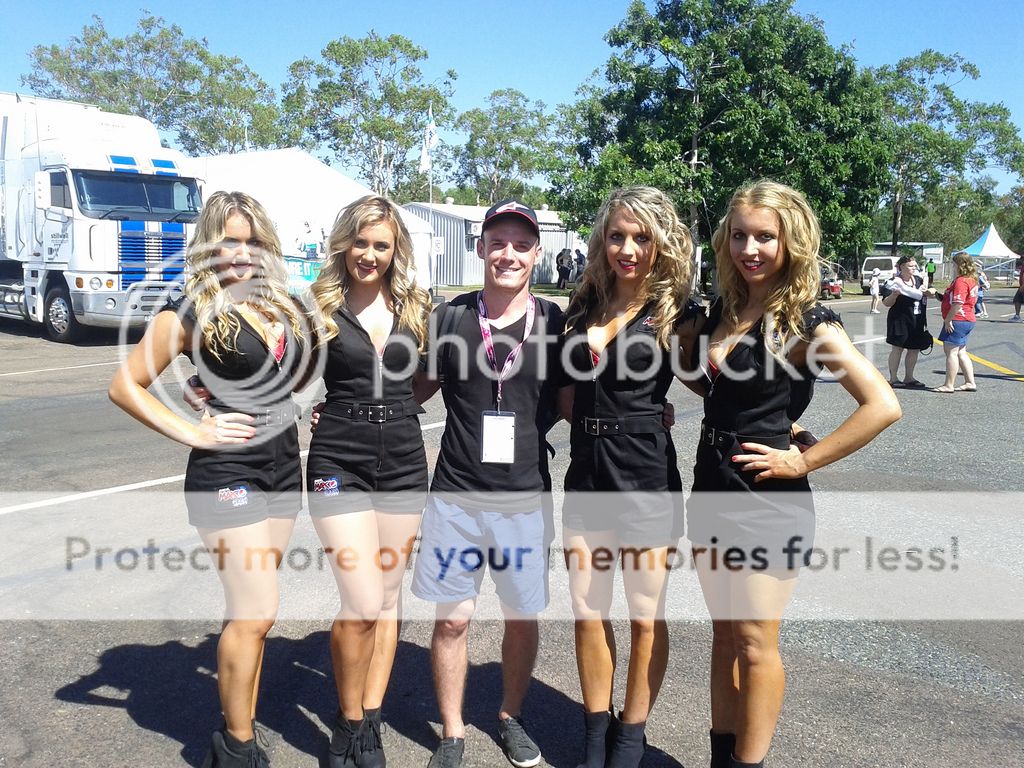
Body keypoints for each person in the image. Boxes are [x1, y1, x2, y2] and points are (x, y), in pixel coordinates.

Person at [687, 180, 901, 768]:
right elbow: (717, 388)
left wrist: (802, 458)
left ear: (790, 241)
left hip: (766, 501)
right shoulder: (725, 309)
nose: (749, 249)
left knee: (756, 644)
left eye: (764, 237)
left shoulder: (808, 322)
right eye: (739, 236)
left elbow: (882, 403)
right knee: (724, 638)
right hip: (710, 485)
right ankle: (719, 758)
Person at [108, 191, 311, 768]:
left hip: (280, 466)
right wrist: (194, 431)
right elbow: (125, 386)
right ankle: (238, 747)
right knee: (257, 609)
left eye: (251, 240)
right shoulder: (191, 309)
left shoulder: (279, 304)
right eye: (228, 241)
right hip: (227, 471)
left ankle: (235, 725)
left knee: (247, 612)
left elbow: (293, 378)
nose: (240, 253)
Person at [410, 199, 569, 768]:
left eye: (521, 245)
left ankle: (509, 716)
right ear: (479, 249)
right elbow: (412, 394)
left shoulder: (554, 322)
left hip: (524, 497)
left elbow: (576, 403)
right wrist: (346, 408)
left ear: (536, 253)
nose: (508, 254)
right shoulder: (450, 319)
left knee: (521, 615)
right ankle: (452, 731)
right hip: (456, 496)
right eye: (497, 242)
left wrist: (647, 416)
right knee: (452, 619)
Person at [558, 187, 704, 768]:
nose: (627, 248)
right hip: (587, 472)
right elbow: (565, 396)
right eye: (617, 235)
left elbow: (715, 388)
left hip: (646, 474)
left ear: (661, 242)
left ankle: (631, 734)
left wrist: (785, 430)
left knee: (645, 613)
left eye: (641, 237)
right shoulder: (581, 305)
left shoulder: (680, 313)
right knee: (587, 607)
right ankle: (596, 731)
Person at [306, 195, 434, 767]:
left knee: (386, 595)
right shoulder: (316, 306)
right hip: (338, 458)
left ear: (394, 249)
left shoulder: (416, 307)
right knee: (359, 598)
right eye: (360, 242)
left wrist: (400, 406)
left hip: (404, 457)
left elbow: (429, 377)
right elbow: (269, 365)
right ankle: (347, 721)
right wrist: (208, 397)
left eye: (381, 245)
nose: (369, 255)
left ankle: (372, 718)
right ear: (344, 243)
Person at [882, 255, 932, 388]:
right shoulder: (893, 281)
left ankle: (909, 377)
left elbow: (931, 292)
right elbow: (886, 303)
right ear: (901, 266)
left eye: (915, 266)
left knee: (914, 349)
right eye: (910, 266)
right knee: (898, 348)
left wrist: (929, 291)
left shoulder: (918, 280)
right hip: (899, 319)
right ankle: (893, 378)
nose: (913, 268)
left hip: (917, 320)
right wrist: (894, 295)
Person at [932, 252, 979, 393]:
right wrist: (936, 295)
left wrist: (948, 320)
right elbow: (951, 299)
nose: (952, 266)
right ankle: (970, 382)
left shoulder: (961, 281)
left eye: (954, 264)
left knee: (951, 352)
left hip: (958, 319)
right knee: (961, 352)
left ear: (959, 265)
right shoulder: (972, 279)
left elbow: (958, 303)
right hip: (968, 318)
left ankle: (949, 384)